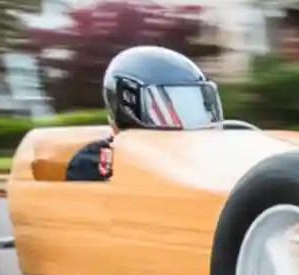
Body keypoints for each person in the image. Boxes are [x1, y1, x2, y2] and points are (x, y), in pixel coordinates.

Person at [65, 46, 225, 181]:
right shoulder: (92, 162)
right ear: (128, 104)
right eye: (165, 108)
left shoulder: (210, 157)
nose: (187, 122)